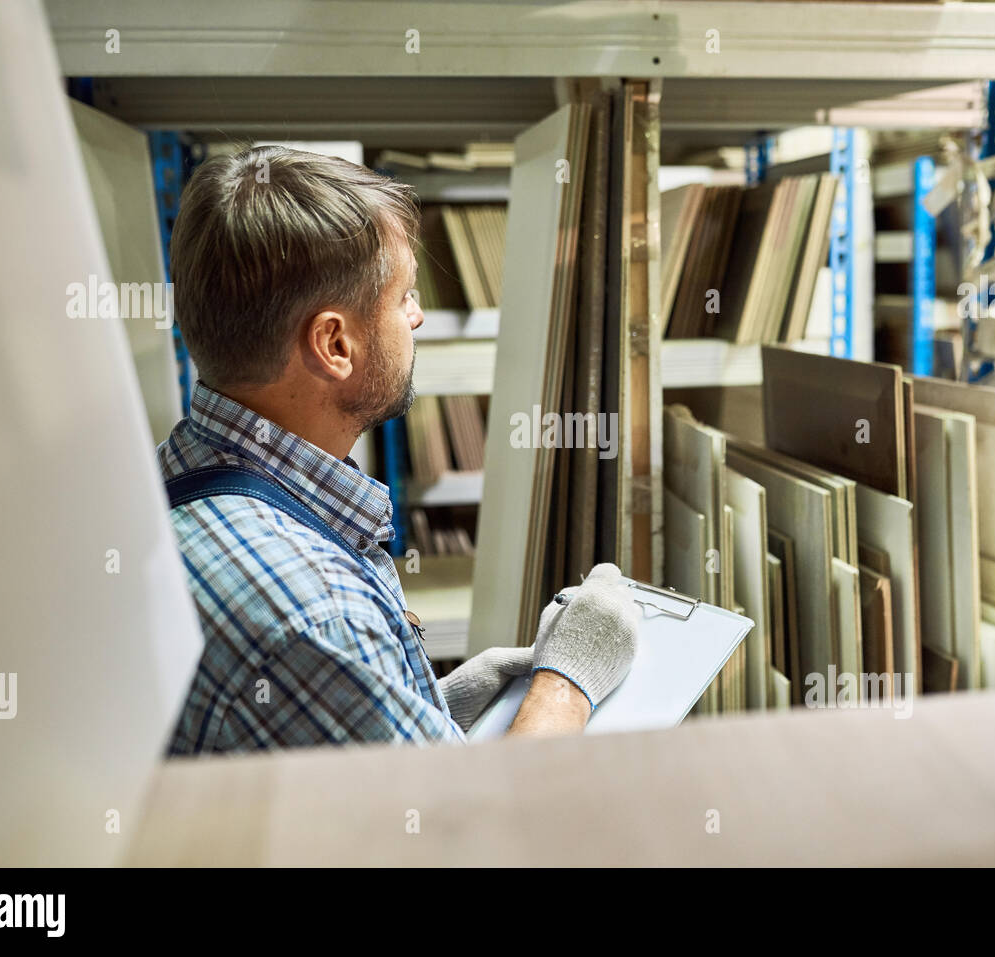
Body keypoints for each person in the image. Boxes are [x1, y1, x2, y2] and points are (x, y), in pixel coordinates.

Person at [156, 145, 637, 753]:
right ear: (335, 343)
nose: (418, 317)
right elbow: (475, 837)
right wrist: (569, 682)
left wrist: (438, 702)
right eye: (404, 294)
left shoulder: (179, 470)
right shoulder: (314, 616)